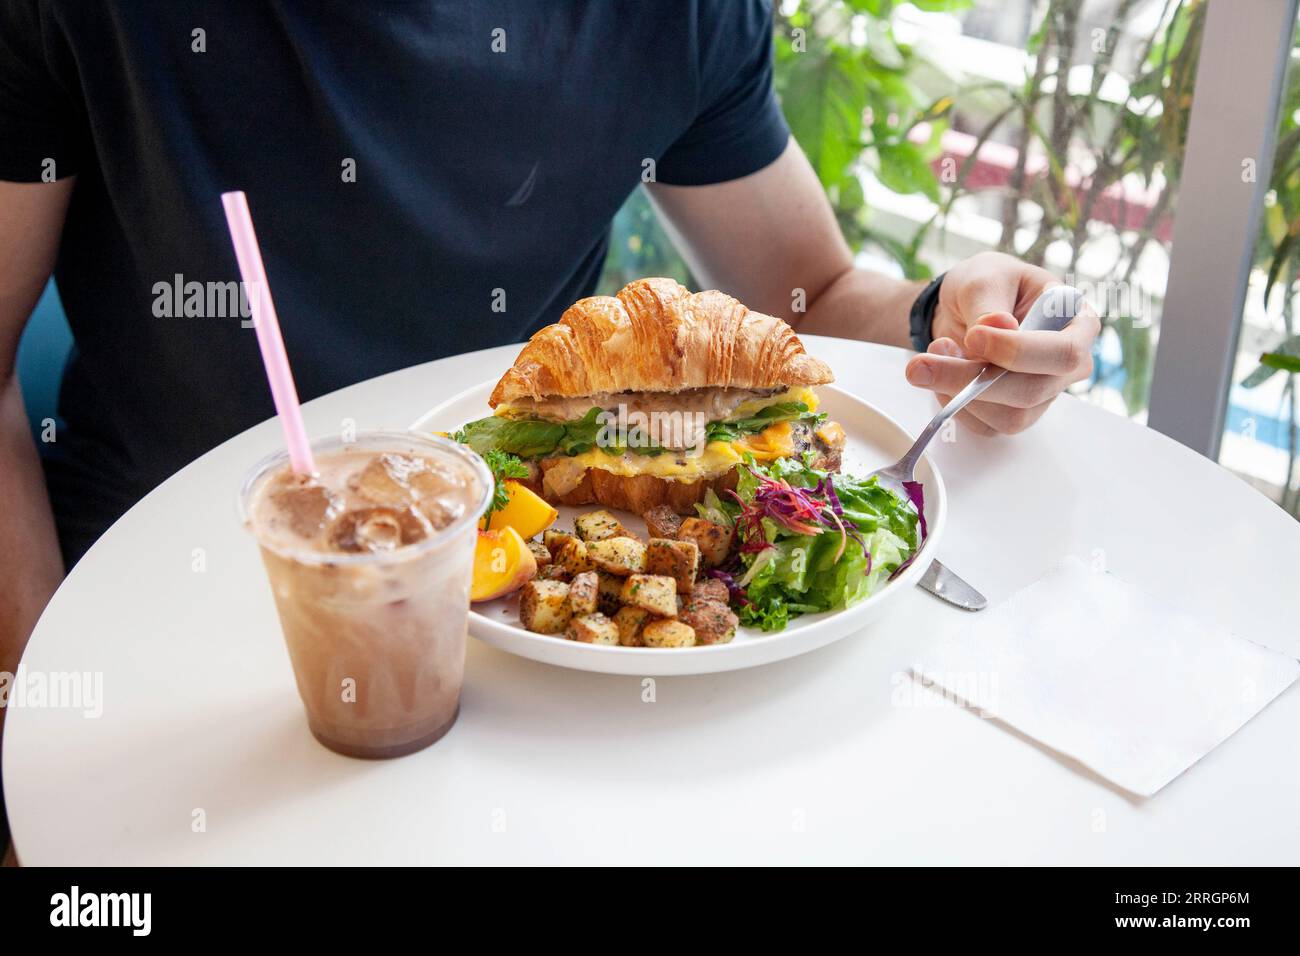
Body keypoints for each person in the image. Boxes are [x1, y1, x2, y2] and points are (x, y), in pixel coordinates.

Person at [0, 1, 1098, 855]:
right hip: (153, 639)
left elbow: (807, 291)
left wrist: (944, 320)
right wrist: (40, 725)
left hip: (532, 674)